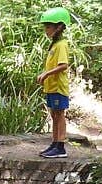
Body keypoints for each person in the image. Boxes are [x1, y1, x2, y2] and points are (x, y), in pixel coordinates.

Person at [36, 8, 73, 159]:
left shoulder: (62, 45)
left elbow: (63, 65)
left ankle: (61, 146)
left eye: (48, 27)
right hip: (51, 86)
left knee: (59, 114)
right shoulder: (54, 44)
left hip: (58, 87)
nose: (46, 30)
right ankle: (54, 143)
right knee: (53, 114)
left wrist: (46, 74)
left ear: (59, 27)